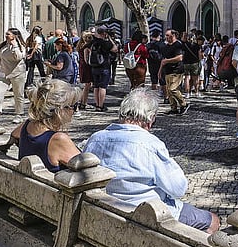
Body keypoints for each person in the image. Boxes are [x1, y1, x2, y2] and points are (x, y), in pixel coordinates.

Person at [83, 88, 220, 232]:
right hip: (147, 218)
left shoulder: (95, 139)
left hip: (104, 213)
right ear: (151, 118)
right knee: (212, 221)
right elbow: (178, 189)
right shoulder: (150, 144)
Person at [10, 79, 81, 172]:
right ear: (60, 110)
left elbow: (14, 134)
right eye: (74, 106)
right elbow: (88, 169)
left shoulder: (27, 125)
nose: (75, 111)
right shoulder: (59, 139)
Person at [0, 27, 27, 115]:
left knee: (18, 95)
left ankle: (19, 113)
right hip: (3, 73)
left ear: (14, 36)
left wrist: (15, 46)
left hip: (17, 73)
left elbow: (18, 57)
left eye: (8, 34)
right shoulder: (3, 46)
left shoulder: (21, 46)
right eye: (6, 34)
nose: (6, 36)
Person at [87, 26, 119, 112]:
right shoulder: (106, 43)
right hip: (104, 66)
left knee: (96, 86)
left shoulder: (93, 42)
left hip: (94, 66)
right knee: (103, 87)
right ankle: (101, 105)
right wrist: (110, 39)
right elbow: (115, 49)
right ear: (105, 33)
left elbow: (86, 48)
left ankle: (97, 104)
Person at [158, 29, 188, 115]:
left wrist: (168, 61)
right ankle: (173, 108)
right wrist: (160, 71)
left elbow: (180, 57)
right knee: (169, 91)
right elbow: (163, 60)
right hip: (167, 71)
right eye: (166, 35)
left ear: (173, 35)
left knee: (173, 89)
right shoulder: (166, 46)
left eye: (168, 35)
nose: (166, 37)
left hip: (177, 70)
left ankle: (183, 104)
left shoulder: (178, 45)